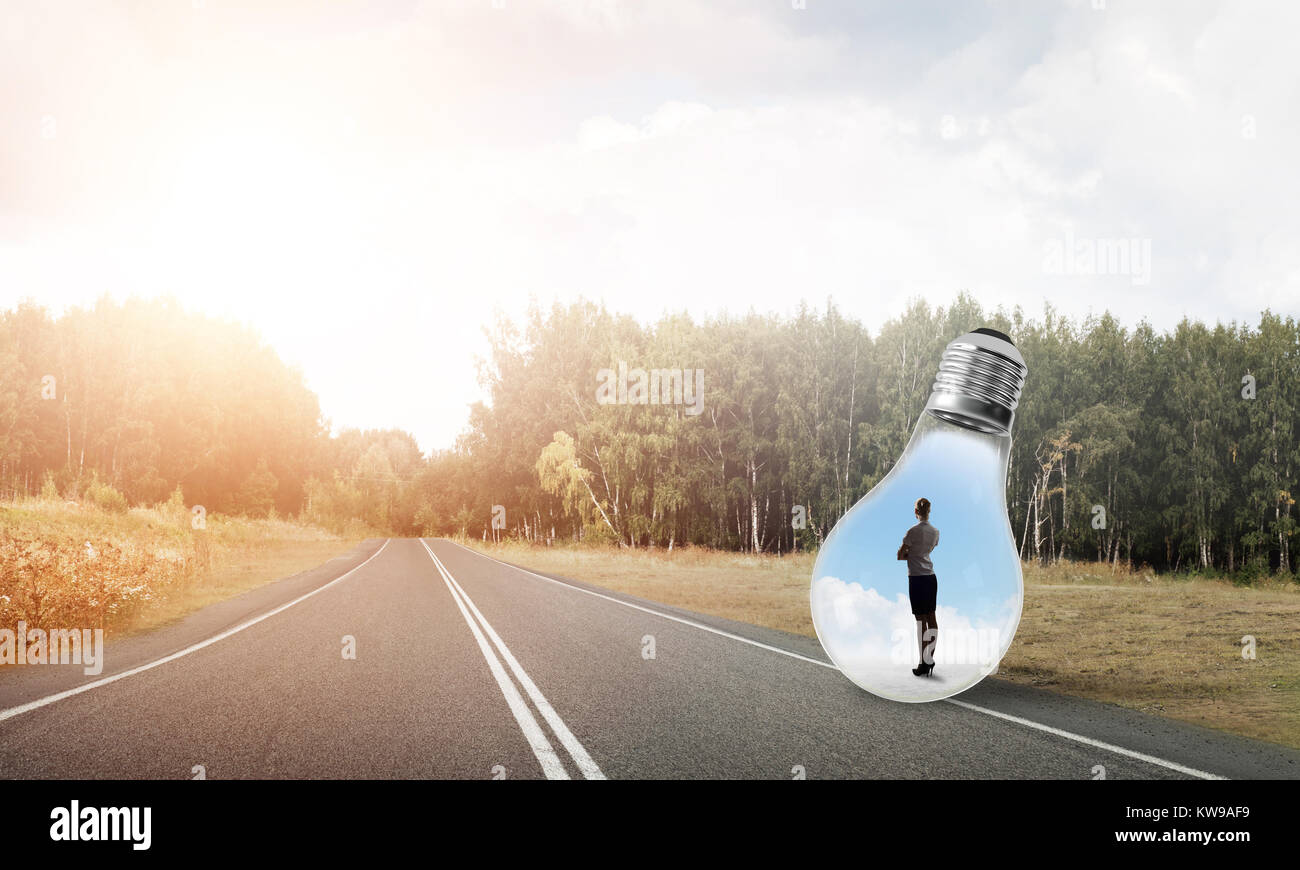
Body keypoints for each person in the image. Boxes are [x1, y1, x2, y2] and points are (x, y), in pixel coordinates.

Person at [897, 497, 939, 677]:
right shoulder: (935, 532)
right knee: (931, 618)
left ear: (916, 512)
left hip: (916, 579)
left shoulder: (911, 532)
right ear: (929, 511)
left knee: (920, 622)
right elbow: (928, 551)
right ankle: (929, 658)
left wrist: (911, 556)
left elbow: (900, 555)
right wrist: (918, 555)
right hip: (930, 577)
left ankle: (923, 663)